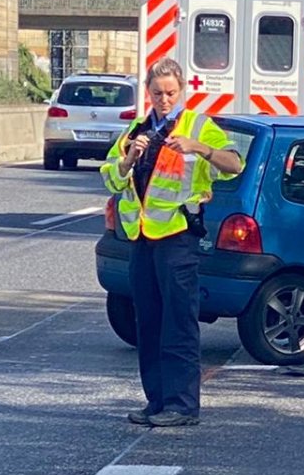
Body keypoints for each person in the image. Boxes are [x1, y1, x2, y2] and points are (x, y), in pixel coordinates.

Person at [101, 59, 243, 427]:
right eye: (157, 93)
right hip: (142, 238)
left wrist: (199, 148)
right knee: (147, 322)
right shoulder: (137, 128)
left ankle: (182, 405)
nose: (163, 99)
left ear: (182, 91)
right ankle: (157, 401)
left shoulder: (198, 125)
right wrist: (129, 157)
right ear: (147, 93)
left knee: (178, 323)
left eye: (170, 93)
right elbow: (111, 179)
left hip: (178, 237)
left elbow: (234, 164)